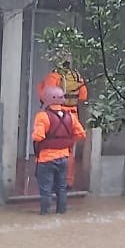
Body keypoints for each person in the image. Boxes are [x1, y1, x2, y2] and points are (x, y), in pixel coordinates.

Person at [31, 85, 87, 215]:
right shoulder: (71, 116)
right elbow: (81, 134)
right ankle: (61, 214)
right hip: (64, 158)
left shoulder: (42, 116)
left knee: (46, 190)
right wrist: (67, 141)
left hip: (46, 160)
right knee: (61, 189)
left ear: (47, 99)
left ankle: (44, 215)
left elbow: (38, 137)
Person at [36, 55, 88, 186]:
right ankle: (68, 180)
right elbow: (83, 96)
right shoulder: (77, 76)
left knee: (51, 146)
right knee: (68, 150)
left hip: (55, 114)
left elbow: (45, 95)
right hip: (73, 115)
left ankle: (51, 179)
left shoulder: (54, 76)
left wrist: (41, 86)